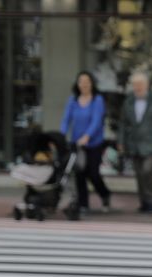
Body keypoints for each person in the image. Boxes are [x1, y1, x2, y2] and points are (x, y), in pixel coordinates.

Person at [118, 71, 152, 214]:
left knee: (147, 171)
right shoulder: (128, 101)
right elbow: (123, 123)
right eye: (135, 84)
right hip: (134, 143)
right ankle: (144, 202)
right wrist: (121, 141)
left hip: (151, 143)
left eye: (140, 84)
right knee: (139, 174)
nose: (138, 87)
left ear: (147, 85)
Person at [61, 71, 111, 216]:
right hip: (77, 143)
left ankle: (105, 194)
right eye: (81, 81)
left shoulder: (98, 100)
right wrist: (61, 136)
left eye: (87, 81)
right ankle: (83, 204)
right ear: (77, 84)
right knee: (80, 174)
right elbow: (66, 120)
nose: (84, 84)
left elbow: (96, 121)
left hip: (94, 143)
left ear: (92, 83)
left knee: (93, 173)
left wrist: (87, 136)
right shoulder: (73, 100)